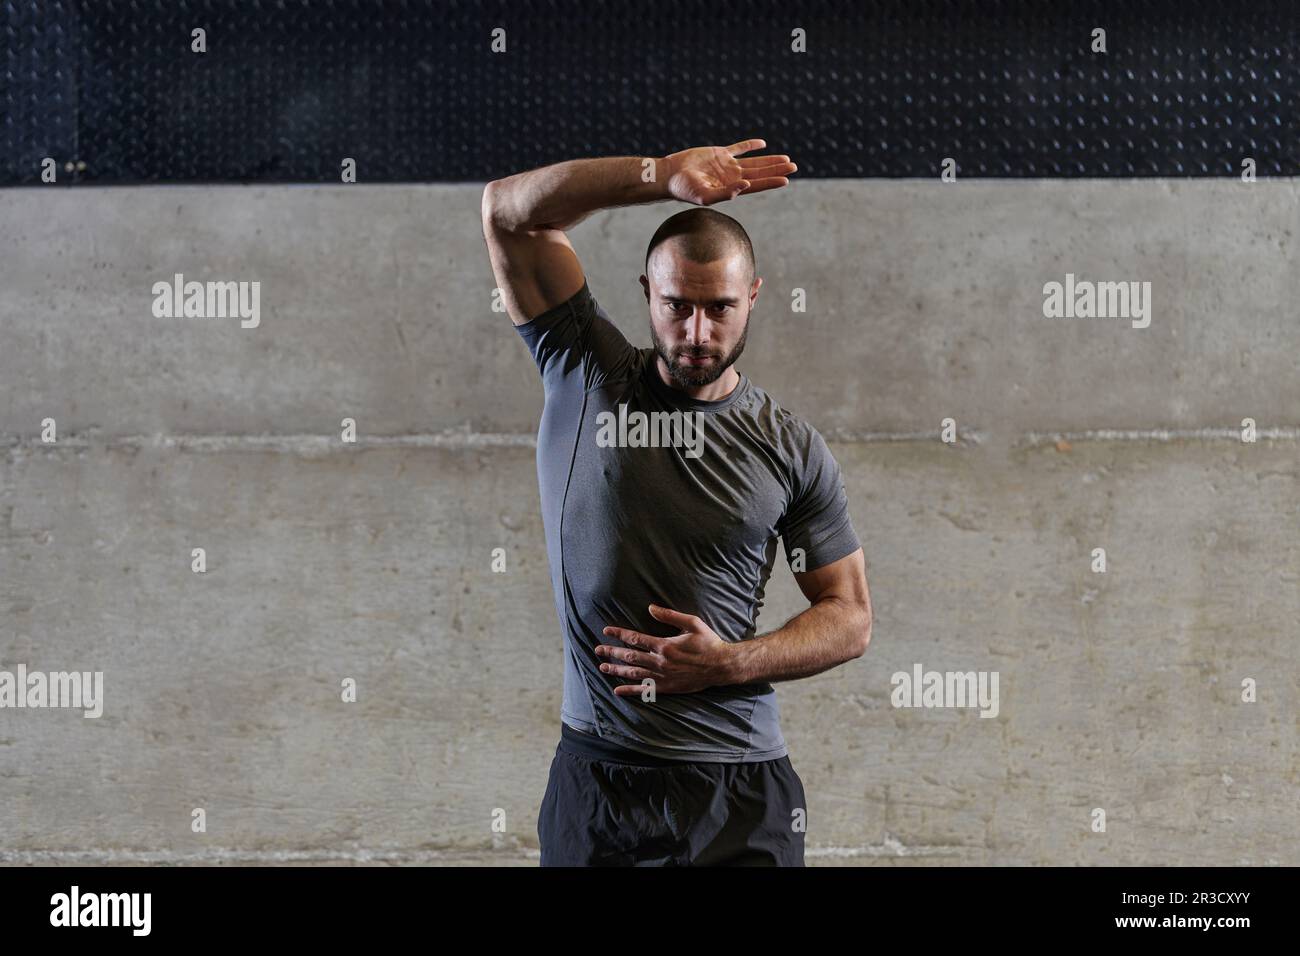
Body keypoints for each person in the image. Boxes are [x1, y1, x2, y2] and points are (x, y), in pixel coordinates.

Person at [480, 139, 873, 866]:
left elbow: (849, 619)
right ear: (646, 294)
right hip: (598, 785)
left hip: (739, 793)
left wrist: (727, 664)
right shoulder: (584, 371)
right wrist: (658, 176)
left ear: (752, 296)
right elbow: (507, 211)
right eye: (676, 307)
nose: (696, 334)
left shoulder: (790, 447)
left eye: (719, 308)